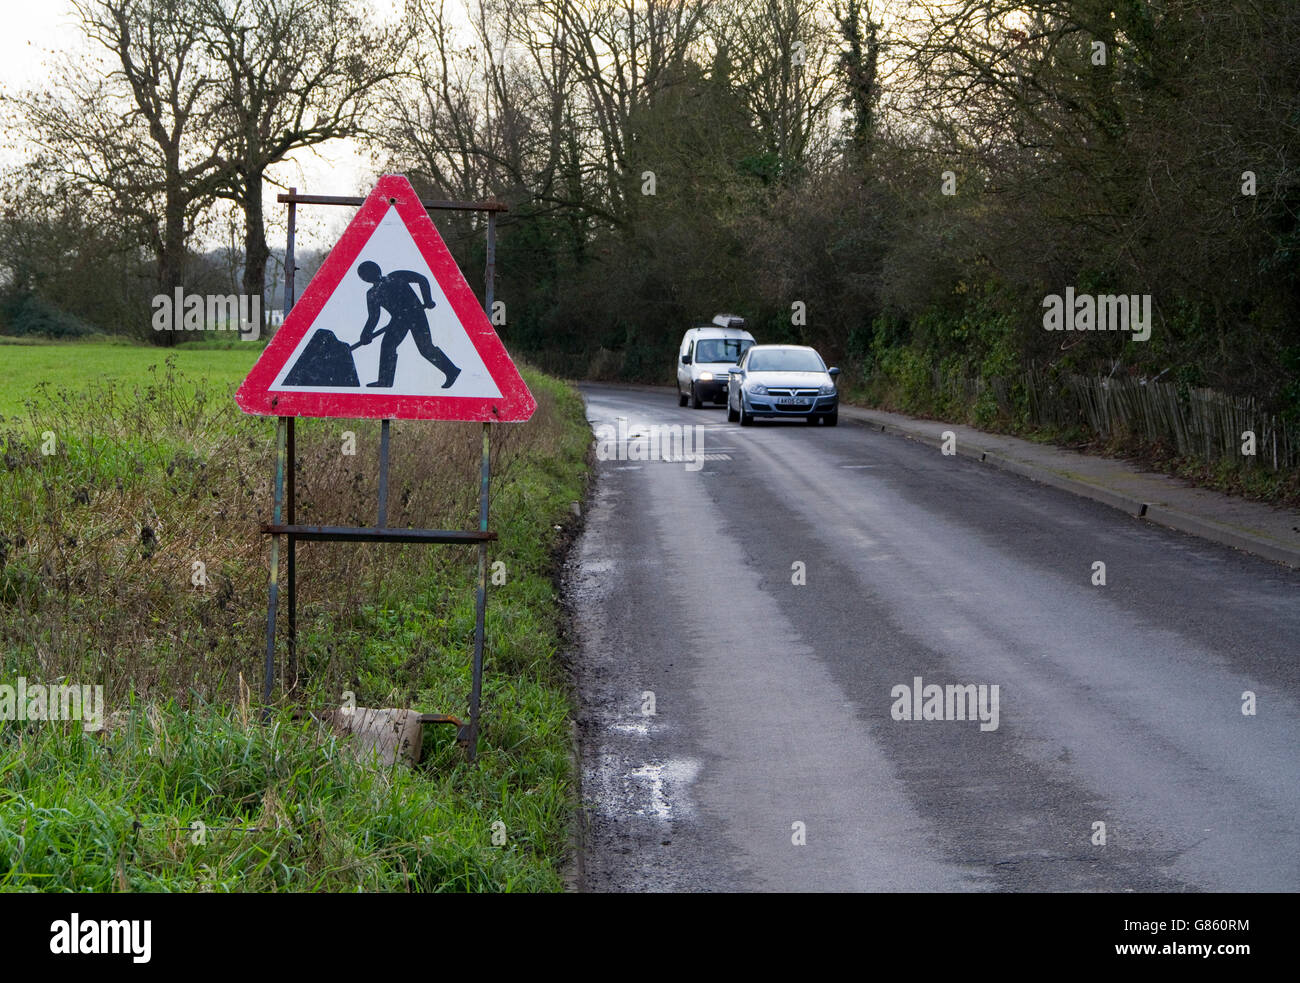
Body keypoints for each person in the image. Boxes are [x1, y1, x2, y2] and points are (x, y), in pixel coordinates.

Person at [355, 261, 460, 388]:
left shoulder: (395, 276)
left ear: (376, 269)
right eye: (362, 275)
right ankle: (384, 381)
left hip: (416, 314)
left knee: (425, 348)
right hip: (398, 320)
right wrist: (366, 333)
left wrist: (427, 299)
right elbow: (374, 317)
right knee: (387, 346)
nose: (366, 277)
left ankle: (451, 371)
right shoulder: (372, 294)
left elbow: (422, 279)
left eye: (367, 272)